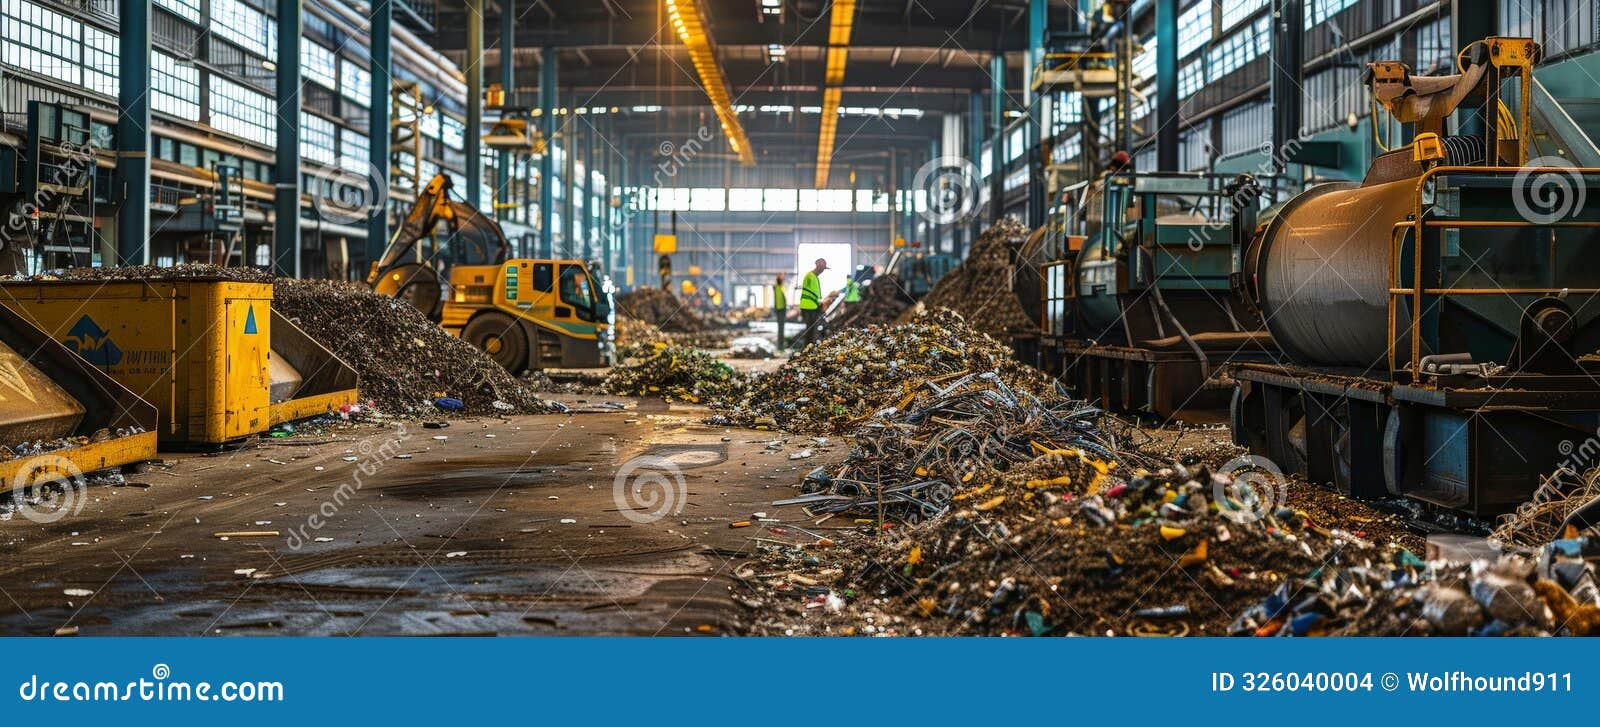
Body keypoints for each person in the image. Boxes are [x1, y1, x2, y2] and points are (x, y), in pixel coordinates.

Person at [796, 257, 827, 349]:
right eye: (822, 268)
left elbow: (815, 293)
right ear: (818, 266)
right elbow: (810, 293)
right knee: (810, 330)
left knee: (812, 330)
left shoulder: (814, 277)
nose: (823, 271)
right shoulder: (809, 276)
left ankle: (809, 348)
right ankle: (807, 349)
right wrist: (819, 303)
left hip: (813, 306)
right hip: (808, 306)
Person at [773, 273, 789, 349]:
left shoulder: (782, 286)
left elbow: (784, 298)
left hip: (782, 309)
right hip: (779, 309)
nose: (783, 278)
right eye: (781, 276)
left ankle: (781, 345)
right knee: (780, 328)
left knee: (781, 329)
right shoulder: (776, 286)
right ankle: (780, 346)